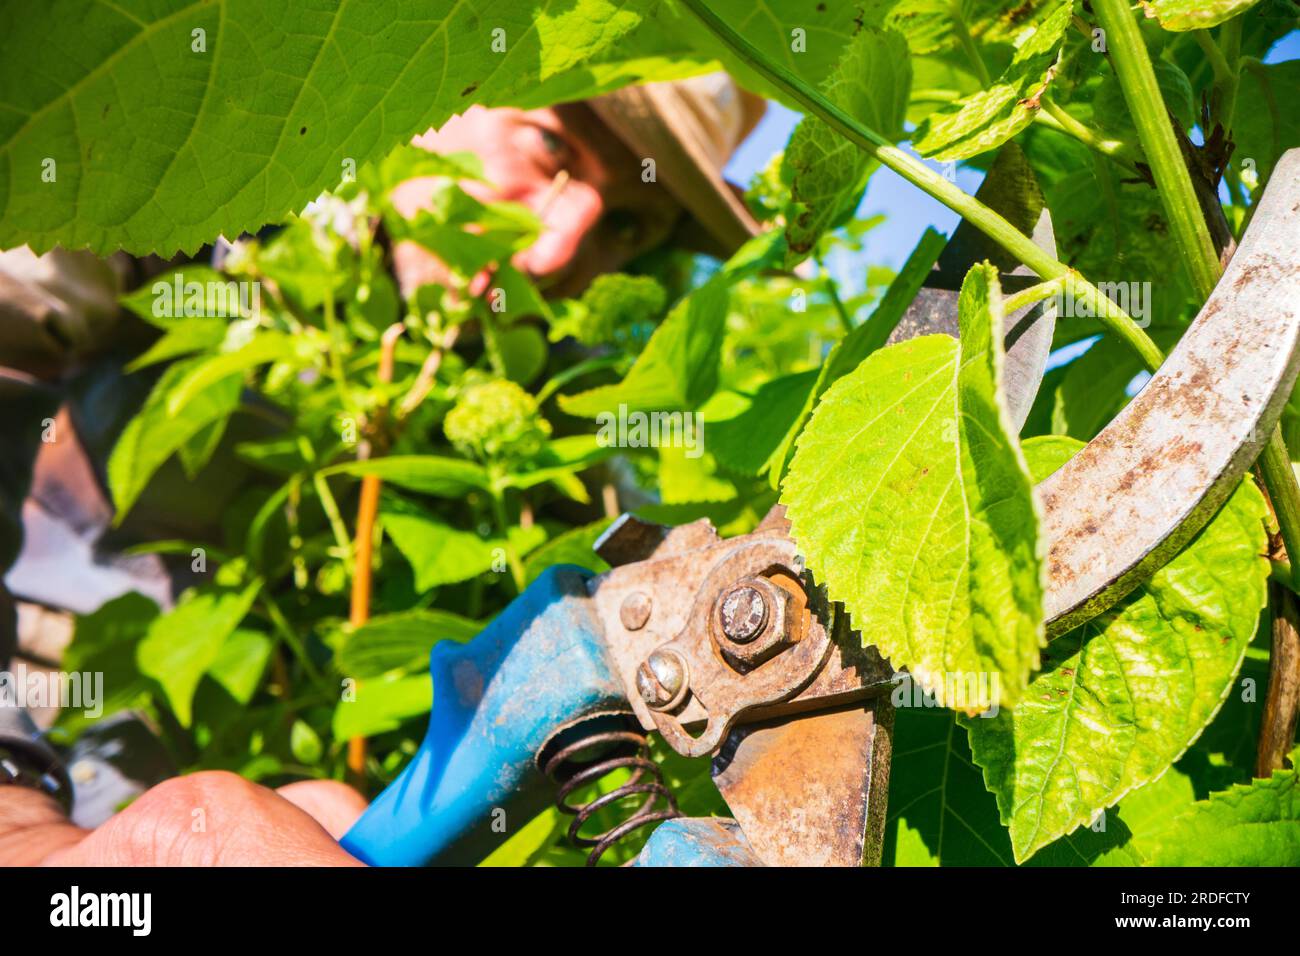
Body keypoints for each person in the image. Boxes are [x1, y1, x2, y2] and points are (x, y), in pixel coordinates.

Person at [0, 74, 765, 866]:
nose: (553, 252)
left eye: (629, 224)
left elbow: (647, 592)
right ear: (436, 73)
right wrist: (13, 818)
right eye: (550, 147)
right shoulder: (182, 196)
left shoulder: (552, 398)